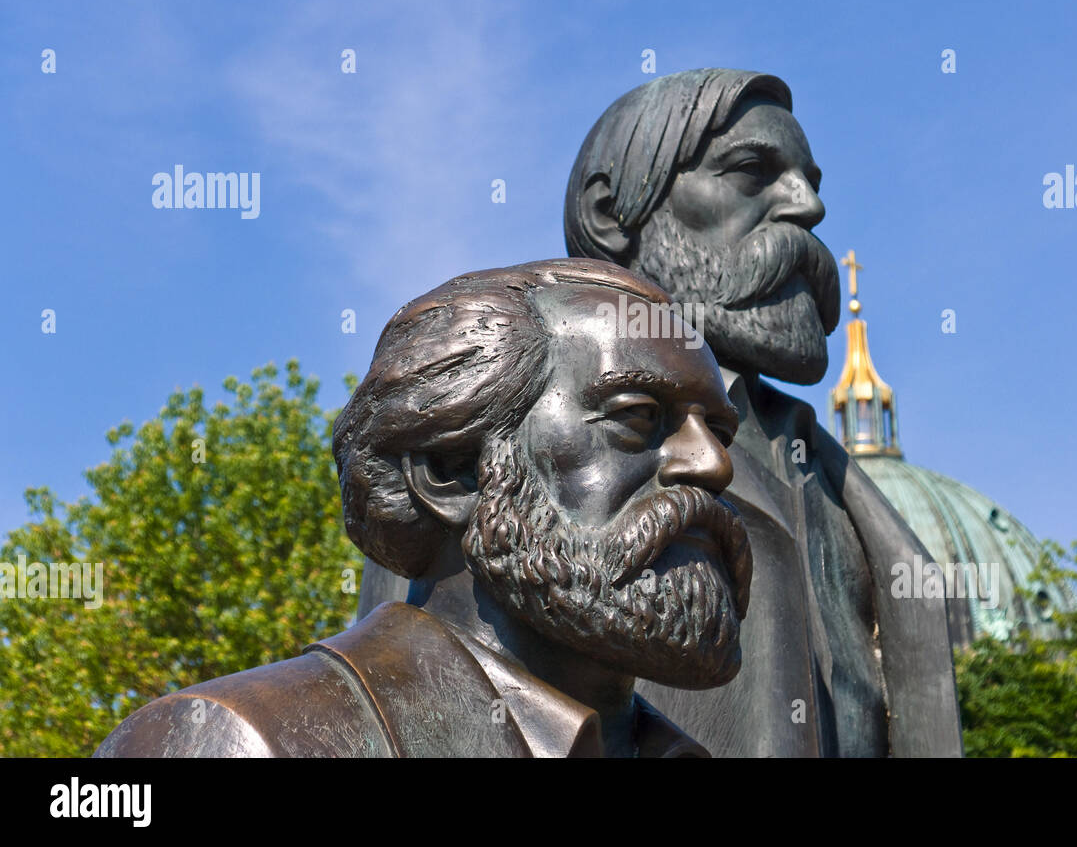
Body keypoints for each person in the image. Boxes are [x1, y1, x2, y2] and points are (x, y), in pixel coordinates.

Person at [96, 259, 751, 758]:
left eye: (718, 433)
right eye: (637, 417)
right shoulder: (240, 740)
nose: (712, 465)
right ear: (449, 470)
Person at [562, 68, 963, 757]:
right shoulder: (506, 426)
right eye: (752, 171)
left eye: (810, 180)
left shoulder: (837, 489)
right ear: (612, 216)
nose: (808, 209)